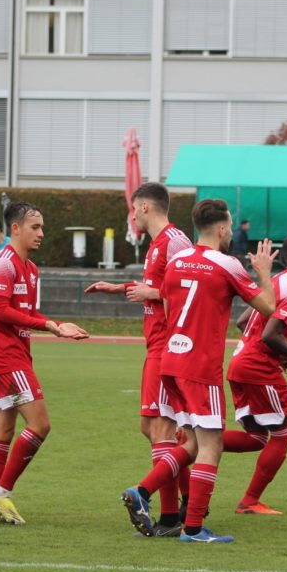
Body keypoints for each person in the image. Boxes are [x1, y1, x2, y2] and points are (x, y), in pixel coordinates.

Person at [121, 198, 277, 543]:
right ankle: (192, 528)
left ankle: (142, 492)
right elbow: (267, 307)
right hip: (200, 365)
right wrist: (264, 271)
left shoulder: (177, 261)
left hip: (171, 361)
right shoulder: (227, 264)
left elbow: (165, 301)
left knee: (191, 442)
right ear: (222, 229)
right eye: (231, 227)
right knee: (212, 445)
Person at [85, 182, 192, 536]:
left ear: (145, 207)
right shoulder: (156, 246)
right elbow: (161, 286)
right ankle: (188, 502)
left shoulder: (175, 241)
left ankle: (172, 517)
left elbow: (194, 289)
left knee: (163, 429)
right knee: (152, 428)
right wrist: (120, 288)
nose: (131, 217)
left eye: (133, 210)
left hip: (169, 346)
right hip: (155, 344)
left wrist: (154, 292)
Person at [0, 202, 89, 525]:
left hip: (12, 356)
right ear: (15, 228)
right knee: (40, 424)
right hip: (5, 357)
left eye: (41, 227)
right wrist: (48, 326)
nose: (41, 233)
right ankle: (1, 494)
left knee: (3, 430)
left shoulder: (31, 269)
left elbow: (26, 313)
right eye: (34, 227)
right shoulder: (3, 264)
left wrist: (55, 324)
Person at [224, 232, 287, 515]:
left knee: (257, 437)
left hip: (239, 363)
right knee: (284, 433)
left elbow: (242, 321)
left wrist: (280, 353)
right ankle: (249, 501)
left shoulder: (275, 282)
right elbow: (269, 335)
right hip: (257, 368)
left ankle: (192, 441)